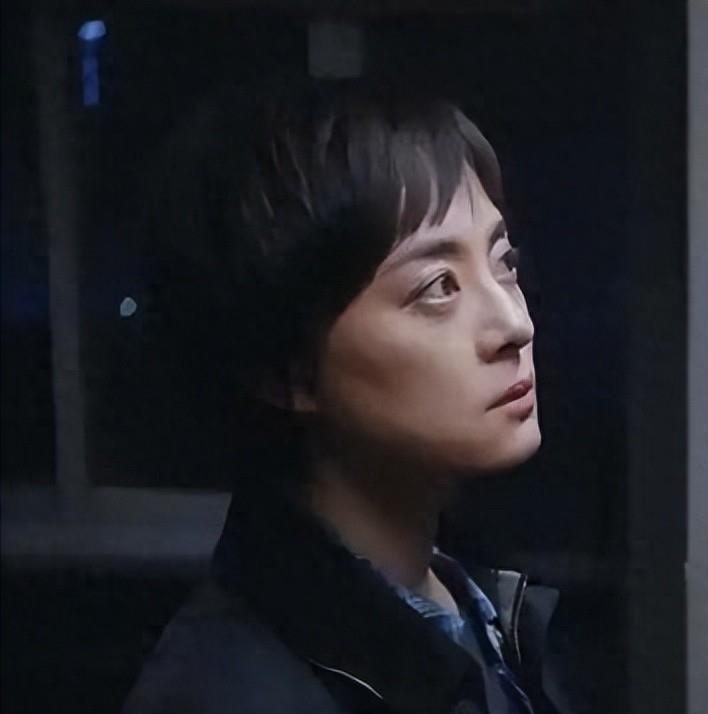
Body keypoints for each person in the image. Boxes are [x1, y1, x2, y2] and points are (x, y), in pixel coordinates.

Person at [122, 77, 571, 714]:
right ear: (286, 370)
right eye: (438, 287)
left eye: (504, 263)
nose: (515, 324)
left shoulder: (478, 608)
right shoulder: (226, 691)